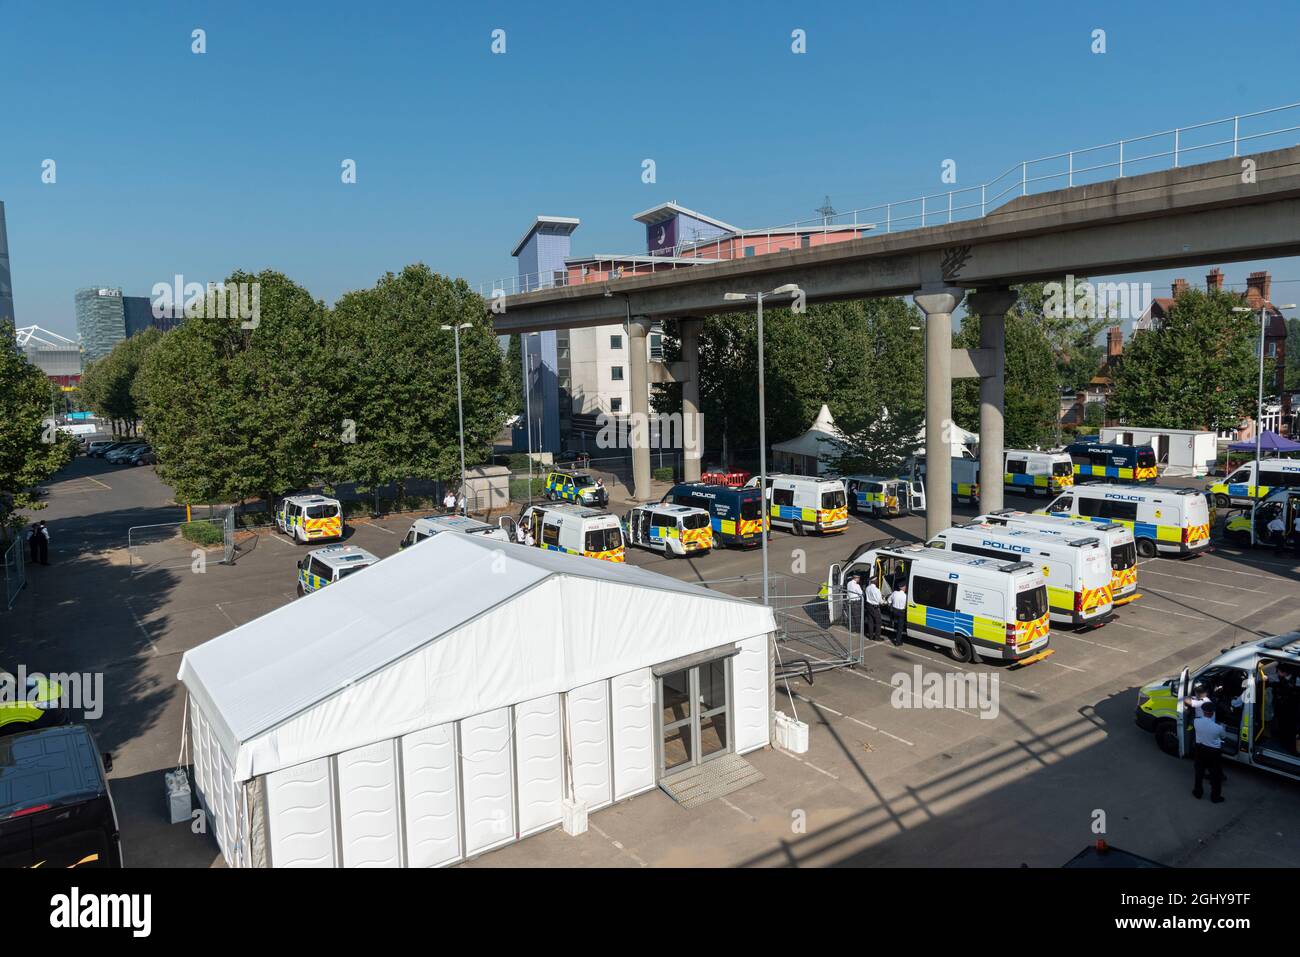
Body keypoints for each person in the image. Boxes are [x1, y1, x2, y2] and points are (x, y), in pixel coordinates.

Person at [1192, 701, 1226, 803]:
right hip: (1214, 753)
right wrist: (1223, 727)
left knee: (1199, 772)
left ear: (1203, 712)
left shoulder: (1196, 721)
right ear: (1212, 713)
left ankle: (1198, 792)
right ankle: (1215, 797)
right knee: (1215, 776)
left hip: (1200, 749)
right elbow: (1224, 736)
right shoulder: (1218, 728)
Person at [863, 573, 884, 642]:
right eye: (877, 580)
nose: (877, 581)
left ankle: (871, 636)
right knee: (878, 622)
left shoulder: (867, 588)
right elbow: (880, 601)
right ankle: (877, 637)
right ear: (875, 581)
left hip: (868, 605)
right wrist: (885, 602)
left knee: (870, 621)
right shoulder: (877, 590)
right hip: (875, 607)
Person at [888, 582, 908, 646]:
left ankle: (891, 622)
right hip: (901, 612)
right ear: (903, 588)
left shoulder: (894, 593)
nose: (905, 588)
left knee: (893, 616)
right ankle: (897, 642)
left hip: (894, 611)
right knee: (900, 628)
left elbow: (889, 601)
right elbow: (907, 606)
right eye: (905, 587)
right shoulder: (905, 596)